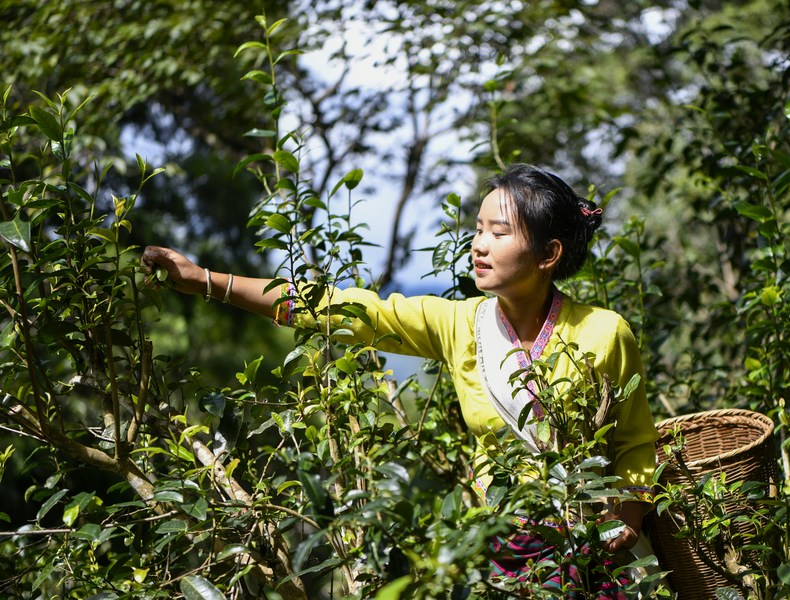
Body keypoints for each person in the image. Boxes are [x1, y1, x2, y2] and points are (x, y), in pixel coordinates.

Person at [141, 163, 659, 598]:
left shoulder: (603, 332)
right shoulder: (462, 324)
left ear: (548, 255)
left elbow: (636, 443)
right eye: (477, 229)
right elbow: (348, 311)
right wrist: (206, 280)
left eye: (499, 233)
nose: (479, 245)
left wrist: (628, 518)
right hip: (501, 551)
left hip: (591, 552)